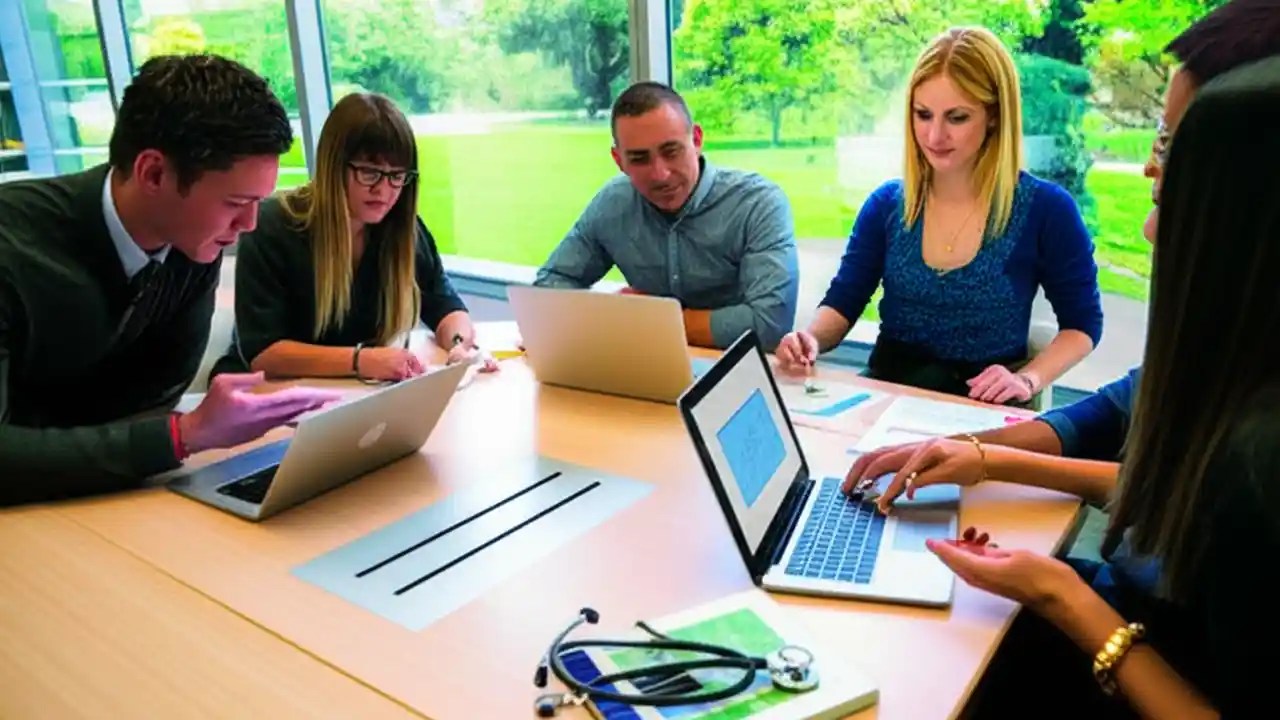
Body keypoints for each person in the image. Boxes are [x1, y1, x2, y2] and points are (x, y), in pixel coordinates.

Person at [925, 54, 1280, 719]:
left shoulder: (1262, 455)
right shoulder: (1237, 357)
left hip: (1143, 650)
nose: (1149, 172)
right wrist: (986, 457)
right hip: (1133, 611)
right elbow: (1143, 456)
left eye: (1169, 148)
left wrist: (1062, 595)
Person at [843, 0, 1280, 509]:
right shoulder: (1209, 358)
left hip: (976, 411)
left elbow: (1084, 333)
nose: (1146, 168)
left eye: (1167, 141)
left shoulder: (1044, 208)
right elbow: (1106, 421)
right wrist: (971, 456)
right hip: (895, 411)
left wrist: (1020, 390)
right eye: (923, 115)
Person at [0, 54, 341, 506]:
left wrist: (160, 435)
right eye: (236, 201)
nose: (250, 224)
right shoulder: (13, 250)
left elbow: (152, 402)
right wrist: (183, 435)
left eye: (259, 201)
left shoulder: (192, 240)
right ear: (154, 173)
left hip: (92, 500)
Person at [776, 27, 1103, 406]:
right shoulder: (886, 205)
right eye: (923, 115)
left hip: (983, 408)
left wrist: (1027, 379)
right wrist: (810, 338)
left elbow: (1083, 325)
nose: (934, 135)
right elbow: (844, 301)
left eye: (957, 118)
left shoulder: (1047, 210)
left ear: (995, 117)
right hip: (887, 394)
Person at [211, 92, 493, 383]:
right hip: (261, 391)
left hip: (351, 392)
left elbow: (446, 307)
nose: (384, 190)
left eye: (397, 175)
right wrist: (361, 360)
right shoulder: (273, 225)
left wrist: (460, 346)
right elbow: (263, 353)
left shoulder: (402, 229)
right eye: (370, 173)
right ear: (334, 167)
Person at [533, 81, 799, 350]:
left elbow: (770, 325)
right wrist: (614, 314)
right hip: (645, 367)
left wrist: (649, 320)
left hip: (737, 374)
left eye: (671, 152)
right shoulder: (613, 203)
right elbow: (548, 289)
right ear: (619, 161)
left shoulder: (758, 204)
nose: (660, 174)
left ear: (696, 140)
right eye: (639, 159)